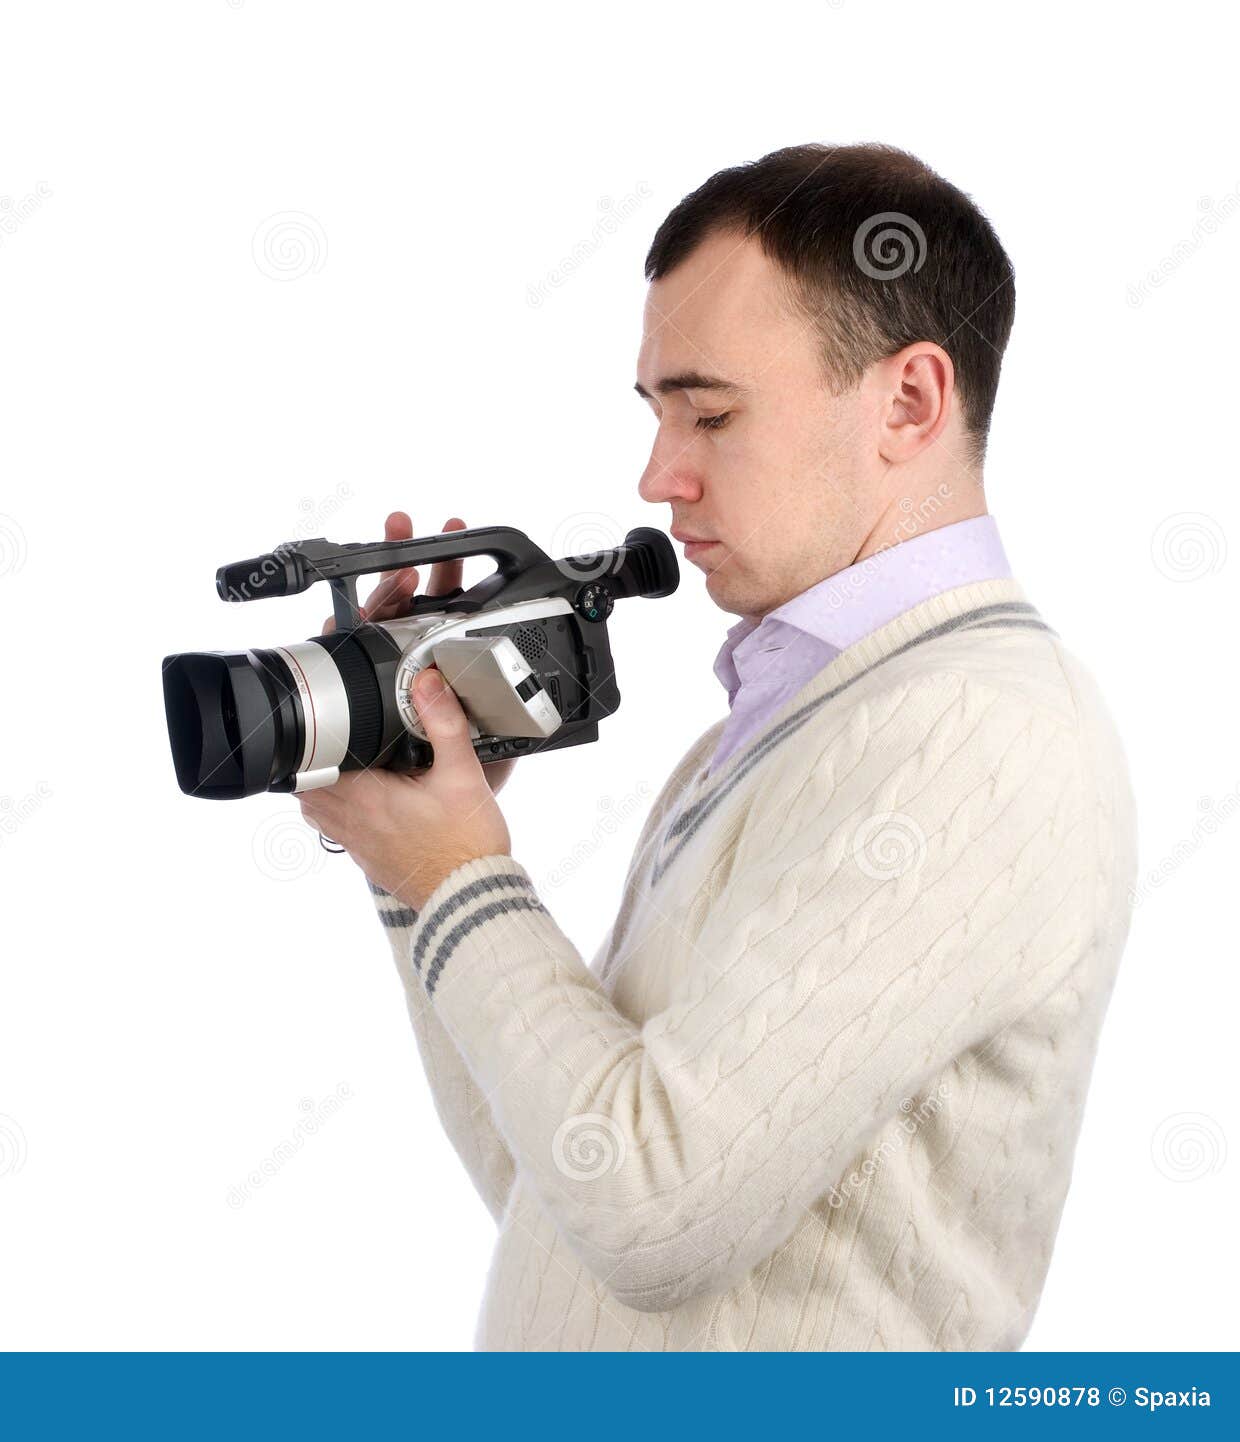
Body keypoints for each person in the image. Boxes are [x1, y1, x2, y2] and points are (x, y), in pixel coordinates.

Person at [298, 142, 1136, 1351]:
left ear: (909, 400)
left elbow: (651, 1212)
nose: (658, 475)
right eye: (655, 413)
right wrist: (413, 858)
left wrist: (460, 876)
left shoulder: (972, 730)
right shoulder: (772, 733)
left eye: (712, 412)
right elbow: (565, 1201)